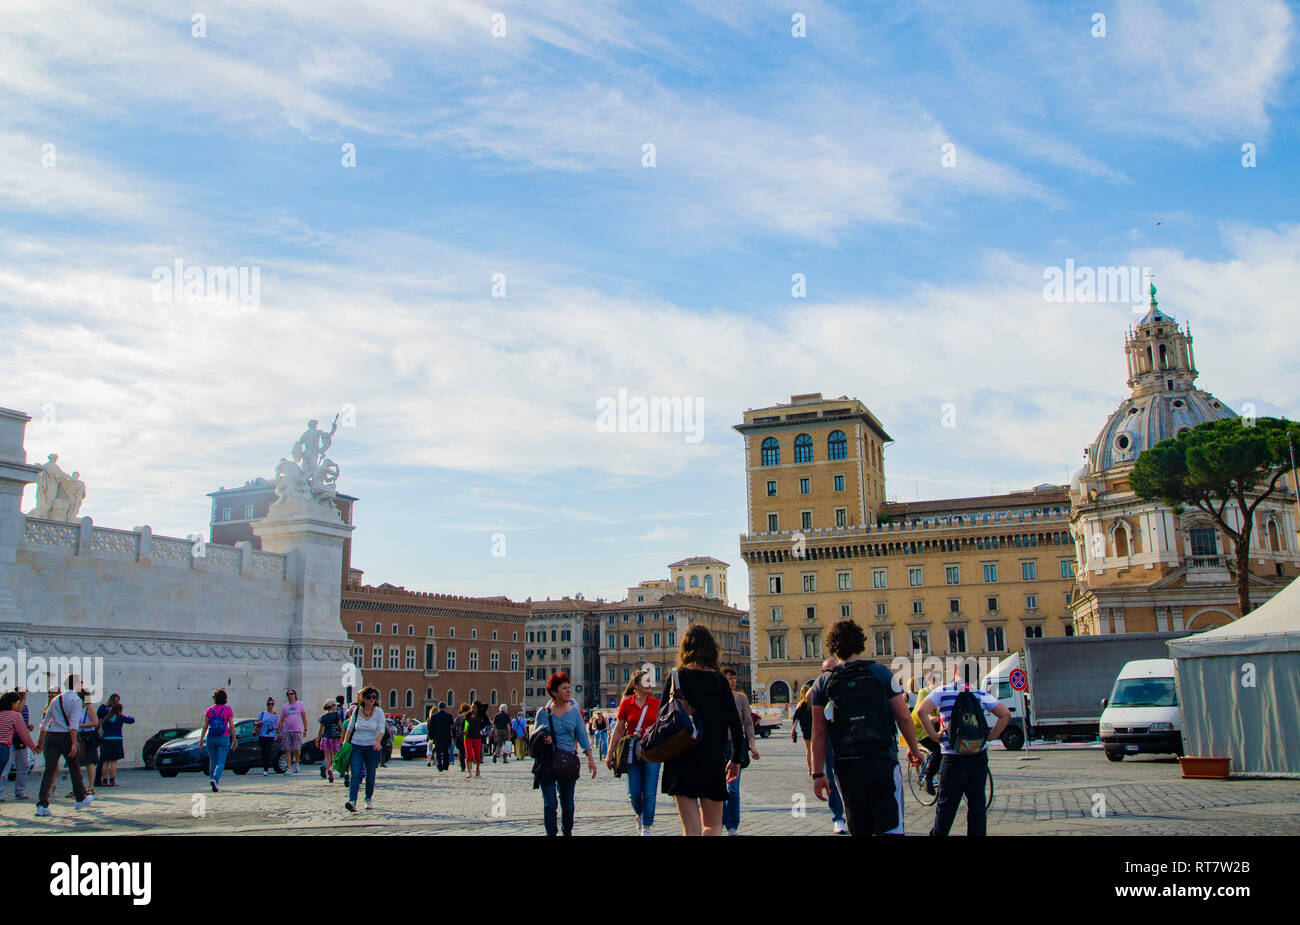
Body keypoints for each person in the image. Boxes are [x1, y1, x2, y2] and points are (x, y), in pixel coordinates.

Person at [810, 620, 925, 836]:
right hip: (882, 759)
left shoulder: (822, 682)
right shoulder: (881, 672)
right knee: (891, 825)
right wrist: (914, 748)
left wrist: (817, 773)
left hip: (847, 765)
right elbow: (903, 715)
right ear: (860, 642)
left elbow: (819, 731)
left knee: (859, 827)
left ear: (833, 647)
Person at [659, 625, 744, 836]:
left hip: (681, 757)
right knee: (713, 826)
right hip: (712, 758)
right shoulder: (719, 681)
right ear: (712, 648)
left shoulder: (676, 677)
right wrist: (736, 758)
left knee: (691, 828)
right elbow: (735, 722)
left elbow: (661, 717)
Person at [916, 664, 1010, 837]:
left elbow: (921, 711)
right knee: (977, 806)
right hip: (978, 756)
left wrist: (934, 735)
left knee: (946, 808)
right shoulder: (980, 694)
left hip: (953, 758)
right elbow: (1005, 714)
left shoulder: (942, 692)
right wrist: (991, 736)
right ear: (975, 676)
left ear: (954, 672)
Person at [530, 672, 597, 836]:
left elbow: (582, 736)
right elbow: (533, 738)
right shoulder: (543, 713)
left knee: (568, 804)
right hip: (546, 763)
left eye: (569, 687)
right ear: (554, 692)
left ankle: (567, 832)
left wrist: (591, 759)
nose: (568, 691)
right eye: (564, 688)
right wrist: (543, 739)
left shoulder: (574, 712)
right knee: (550, 803)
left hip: (566, 762)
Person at [606, 668, 660, 835]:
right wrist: (610, 753)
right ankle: (639, 814)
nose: (650, 684)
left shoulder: (657, 703)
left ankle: (646, 828)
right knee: (634, 792)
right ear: (636, 685)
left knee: (650, 791)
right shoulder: (626, 704)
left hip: (652, 751)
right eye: (646, 681)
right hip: (632, 752)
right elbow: (619, 730)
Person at [35, 674, 93, 816]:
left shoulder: (56, 700)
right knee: (74, 768)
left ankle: (42, 804)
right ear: (77, 683)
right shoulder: (76, 700)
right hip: (67, 737)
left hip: (52, 737)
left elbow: (44, 724)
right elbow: (73, 725)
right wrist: (74, 743)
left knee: (49, 770)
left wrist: (40, 743)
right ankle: (80, 799)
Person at [721, 667, 760, 836]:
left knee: (733, 789)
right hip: (719, 747)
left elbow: (748, 722)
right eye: (729, 678)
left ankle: (732, 826)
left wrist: (752, 745)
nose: (733, 681)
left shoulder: (742, 698)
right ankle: (719, 822)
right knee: (720, 788)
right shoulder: (717, 698)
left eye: (734, 678)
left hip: (736, 746)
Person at [816, 657, 848, 834]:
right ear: (822, 673)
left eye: (837, 670)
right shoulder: (818, 690)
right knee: (830, 778)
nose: (834, 674)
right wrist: (816, 769)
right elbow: (816, 728)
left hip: (847, 737)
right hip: (828, 738)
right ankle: (838, 817)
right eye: (830, 671)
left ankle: (853, 812)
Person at [343, 687, 385, 812]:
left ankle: (368, 798)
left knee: (370, 775)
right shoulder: (356, 711)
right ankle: (352, 801)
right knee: (355, 774)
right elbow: (350, 728)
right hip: (357, 746)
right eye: (368, 697)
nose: (371, 700)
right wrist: (345, 744)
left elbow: (381, 728)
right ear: (363, 699)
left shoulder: (379, 712)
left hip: (372, 747)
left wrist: (378, 741)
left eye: (373, 697)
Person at [0, 691, 40, 803]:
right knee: (4, 770)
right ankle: (18, 791)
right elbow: (24, 733)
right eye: (16, 702)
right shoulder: (15, 715)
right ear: (11, 703)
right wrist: (33, 746)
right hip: (4, 747)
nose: (17, 704)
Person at [911, 672, 944, 795]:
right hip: (919, 728)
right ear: (930, 681)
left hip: (932, 727)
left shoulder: (940, 692)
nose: (939, 683)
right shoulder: (923, 692)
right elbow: (925, 713)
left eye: (940, 680)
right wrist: (935, 718)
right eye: (936, 680)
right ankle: (928, 777)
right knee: (938, 750)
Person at [199, 689, 237, 792]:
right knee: (220, 762)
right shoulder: (227, 709)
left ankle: (213, 781)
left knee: (213, 761)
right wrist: (234, 739)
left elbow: (205, 726)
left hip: (211, 738)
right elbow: (232, 726)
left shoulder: (209, 710)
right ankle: (215, 780)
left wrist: (201, 740)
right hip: (223, 737)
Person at [95, 699, 134, 786]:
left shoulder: (106, 718)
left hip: (106, 740)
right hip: (116, 740)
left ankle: (104, 780)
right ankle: (112, 780)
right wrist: (122, 715)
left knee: (105, 761)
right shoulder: (119, 717)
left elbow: (103, 728)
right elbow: (131, 720)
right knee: (113, 761)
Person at [71, 690, 100, 797]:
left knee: (89, 762)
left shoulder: (89, 708)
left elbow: (95, 722)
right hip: (79, 737)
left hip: (88, 737)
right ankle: (77, 787)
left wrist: (80, 726)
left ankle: (90, 786)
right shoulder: (78, 708)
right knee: (75, 762)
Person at [93, 693, 120, 787]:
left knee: (103, 759)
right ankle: (99, 779)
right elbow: (100, 723)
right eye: (116, 702)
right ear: (112, 701)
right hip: (105, 736)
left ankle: (100, 780)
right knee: (105, 759)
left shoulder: (103, 708)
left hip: (103, 735)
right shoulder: (105, 710)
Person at [278, 688, 308, 774]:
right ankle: (289, 767)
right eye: (288, 694)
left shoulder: (300, 705)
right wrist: (279, 731)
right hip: (287, 730)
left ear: (295, 695)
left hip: (297, 730)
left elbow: (304, 717)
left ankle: (297, 762)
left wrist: (305, 729)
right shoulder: (285, 706)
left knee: (297, 748)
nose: (290, 695)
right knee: (287, 749)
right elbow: (282, 719)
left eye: (291, 694)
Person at [791, 681, 815, 773]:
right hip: (814, 729)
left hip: (805, 730)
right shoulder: (813, 703)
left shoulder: (800, 705)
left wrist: (793, 729)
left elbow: (796, 718)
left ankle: (810, 768)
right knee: (814, 750)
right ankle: (815, 768)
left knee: (808, 750)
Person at [316, 701, 343, 782]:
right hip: (335, 737)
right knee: (334, 756)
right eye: (334, 705)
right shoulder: (336, 714)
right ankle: (331, 769)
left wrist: (318, 739)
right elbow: (340, 726)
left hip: (325, 737)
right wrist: (343, 735)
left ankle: (328, 771)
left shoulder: (323, 716)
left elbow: (320, 729)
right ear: (331, 706)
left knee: (327, 756)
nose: (336, 706)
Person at [463, 702, 489, 779]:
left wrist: (479, 727)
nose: (472, 709)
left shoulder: (480, 715)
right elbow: (463, 725)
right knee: (469, 754)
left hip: (477, 737)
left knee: (477, 755)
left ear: (477, 709)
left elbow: (487, 722)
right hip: (467, 737)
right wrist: (463, 731)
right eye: (471, 707)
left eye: (474, 707)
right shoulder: (467, 715)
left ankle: (477, 768)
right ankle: (469, 772)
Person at [255, 697, 279, 775]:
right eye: (269, 704)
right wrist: (259, 723)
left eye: (272, 704)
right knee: (263, 752)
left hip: (270, 736)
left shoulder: (275, 716)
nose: (270, 706)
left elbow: (276, 727)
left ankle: (266, 769)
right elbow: (256, 722)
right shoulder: (263, 713)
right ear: (267, 705)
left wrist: (277, 735)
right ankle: (264, 768)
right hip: (262, 735)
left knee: (268, 752)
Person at [426, 703, 453, 771]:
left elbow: (431, 728)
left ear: (438, 707)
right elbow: (452, 726)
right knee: (446, 751)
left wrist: (430, 737)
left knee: (438, 751)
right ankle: (446, 765)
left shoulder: (434, 716)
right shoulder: (449, 716)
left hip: (437, 737)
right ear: (445, 707)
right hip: (446, 736)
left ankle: (439, 765)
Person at [453, 703, 469, 772]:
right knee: (468, 751)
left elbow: (453, 726)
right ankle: (469, 765)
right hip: (468, 736)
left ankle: (463, 766)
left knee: (461, 752)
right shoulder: (470, 716)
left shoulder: (459, 717)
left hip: (460, 736)